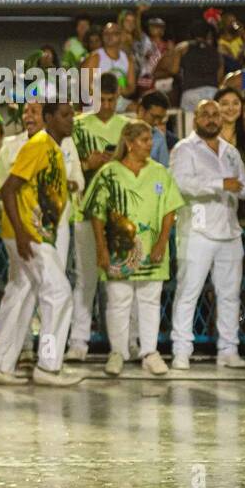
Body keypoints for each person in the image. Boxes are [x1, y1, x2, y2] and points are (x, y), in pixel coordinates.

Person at [0, 99, 83, 386]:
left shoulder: (54, 148)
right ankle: (49, 366)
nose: (71, 121)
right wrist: (23, 233)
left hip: (32, 233)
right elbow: (8, 188)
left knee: (21, 295)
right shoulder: (39, 144)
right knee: (59, 292)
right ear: (49, 118)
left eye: (72, 115)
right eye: (64, 115)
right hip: (29, 234)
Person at [82, 120, 183, 376]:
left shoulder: (160, 172)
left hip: (152, 250)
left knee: (150, 300)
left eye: (150, 140)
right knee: (118, 301)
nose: (150, 145)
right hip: (119, 251)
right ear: (129, 143)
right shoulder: (110, 172)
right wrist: (102, 248)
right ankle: (118, 352)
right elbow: (97, 214)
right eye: (145, 141)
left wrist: (162, 242)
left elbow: (169, 210)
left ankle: (149, 351)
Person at [169, 98, 245, 370]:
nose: (212, 119)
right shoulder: (184, 149)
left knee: (230, 295)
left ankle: (228, 349)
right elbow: (181, 184)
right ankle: (181, 350)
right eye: (206, 114)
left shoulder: (231, 152)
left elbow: (244, 186)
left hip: (229, 230)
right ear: (195, 119)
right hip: (197, 231)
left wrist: (240, 187)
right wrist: (220, 184)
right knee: (188, 291)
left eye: (215, 115)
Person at [66, 72, 130, 361]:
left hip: (120, 215)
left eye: (111, 99)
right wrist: (86, 162)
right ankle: (79, 342)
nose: (105, 104)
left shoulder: (128, 127)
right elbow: (64, 164)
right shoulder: (77, 125)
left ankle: (125, 344)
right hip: (85, 211)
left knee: (120, 281)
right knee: (85, 279)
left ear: (119, 97)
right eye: (101, 99)